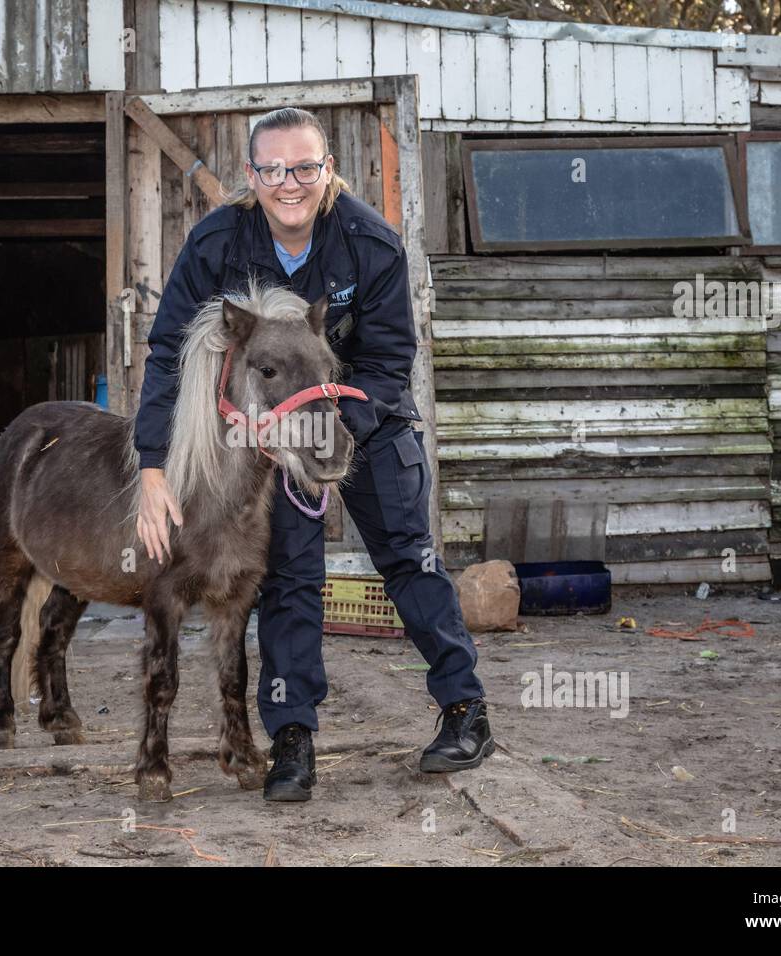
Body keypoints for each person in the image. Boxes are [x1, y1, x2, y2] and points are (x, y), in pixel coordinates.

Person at [134, 107, 493, 802]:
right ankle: (292, 738)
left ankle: (464, 710)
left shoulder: (369, 241)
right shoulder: (216, 243)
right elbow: (166, 354)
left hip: (368, 419)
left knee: (408, 557)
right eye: (272, 169)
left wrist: (339, 425)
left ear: (326, 169)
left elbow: (390, 360)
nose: (288, 183)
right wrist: (153, 462)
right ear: (251, 174)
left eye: (304, 167)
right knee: (290, 578)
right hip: (277, 439)